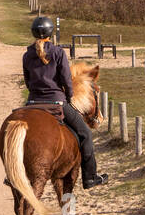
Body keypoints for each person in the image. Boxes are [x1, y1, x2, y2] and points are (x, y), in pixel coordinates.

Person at [23, 16, 107, 188]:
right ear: (50, 33)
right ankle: (90, 177)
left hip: (32, 102)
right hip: (56, 101)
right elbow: (66, 80)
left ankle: (12, 175)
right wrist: (68, 96)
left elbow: (27, 81)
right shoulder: (58, 52)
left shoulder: (27, 55)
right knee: (85, 134)